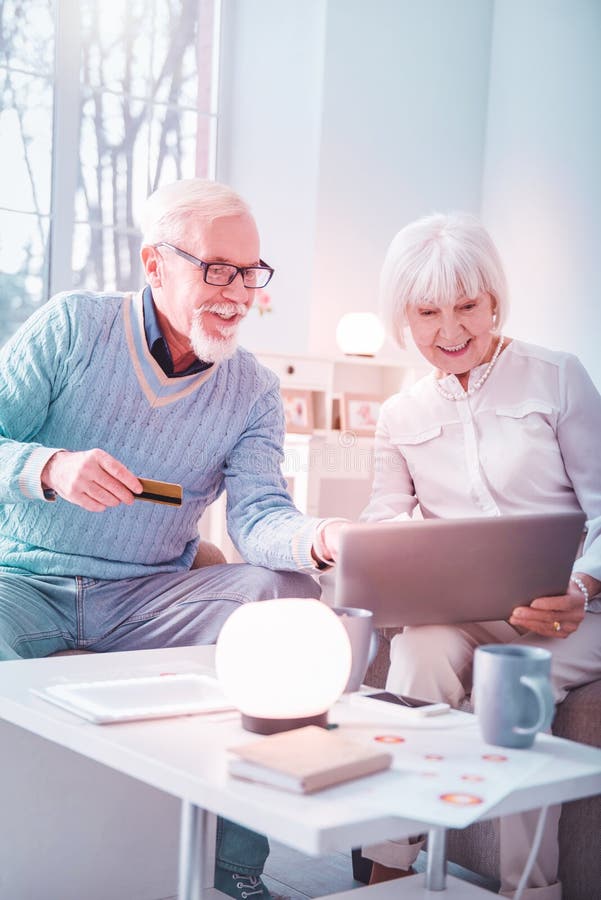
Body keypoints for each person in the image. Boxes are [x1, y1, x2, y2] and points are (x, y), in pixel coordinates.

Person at [0, 178, 341, 899]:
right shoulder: (73, 328)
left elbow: (258, 518)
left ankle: (234, 865)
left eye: (250, 273)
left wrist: (319, 538)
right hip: (21, 582)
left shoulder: (251, 389)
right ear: (155, 265)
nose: (237, 292)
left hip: (147, 595)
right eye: (216, 269)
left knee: (282, 597)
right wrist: (48, 467)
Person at [333, 212, 601, 899]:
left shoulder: (556, 377)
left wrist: (581, 584)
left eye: (467, 308)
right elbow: (385, 524)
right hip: (466, 613)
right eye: (427, 312)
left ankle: (529, 890)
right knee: (419, 650)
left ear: (493, 303)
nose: (449, 332)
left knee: (514, 686)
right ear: (403, 314)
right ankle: (388, 864)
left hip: (567, 614)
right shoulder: (398, 416)